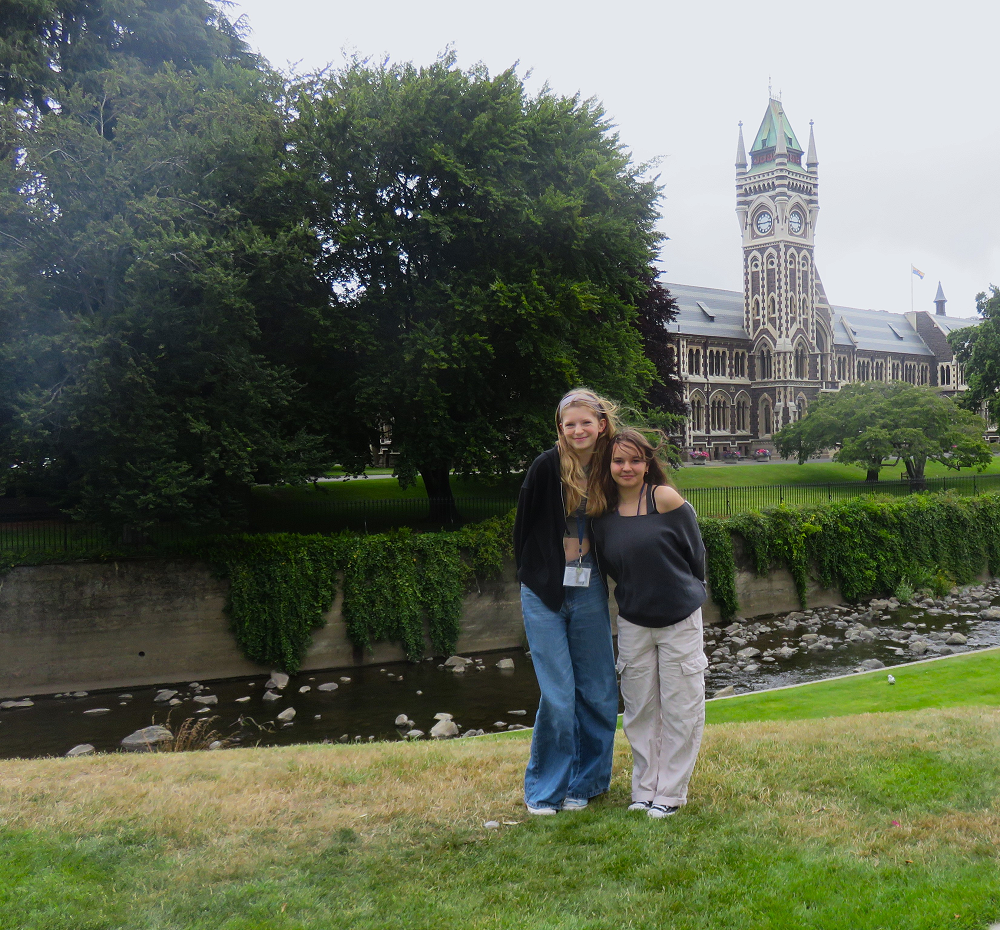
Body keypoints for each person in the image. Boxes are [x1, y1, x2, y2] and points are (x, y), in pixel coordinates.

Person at [513, 388, 622, 815]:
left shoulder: (611, 466)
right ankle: (544, 789)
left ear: (601, 424)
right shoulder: (546, 466)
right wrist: (534, 574)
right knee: (558, 695)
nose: (577, 430)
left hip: (588, 587)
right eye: (569, 423)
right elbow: (523, 529)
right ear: (561, 428)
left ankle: (587, 782)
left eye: (585, 422)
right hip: (543, 592)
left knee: (598, 690)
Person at [592, 428, 708, 819]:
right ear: (608, 466)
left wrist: (684, 592)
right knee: (640, 709)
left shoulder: (664, 499)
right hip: (634, 622)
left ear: (647, 464)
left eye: (635, 460)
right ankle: (644, 788)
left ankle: (671, 793)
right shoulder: (602, 514)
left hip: (679, 618)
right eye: (619, 460)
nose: (627, 467)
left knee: (681, 706)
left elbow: (695, 555)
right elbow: (611, 568)